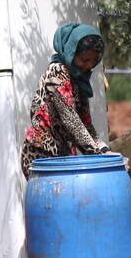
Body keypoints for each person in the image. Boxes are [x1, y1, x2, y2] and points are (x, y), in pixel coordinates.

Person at [20, 22, 111, 178]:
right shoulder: (56, 73)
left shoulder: (78, 79)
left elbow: (85, 122)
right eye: (84, 59)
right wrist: (97, 154)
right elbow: (71, 120)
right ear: (71, 52)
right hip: (42, 155)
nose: (88, 65)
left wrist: (104, 150)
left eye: (93, 61)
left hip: (62, 154)